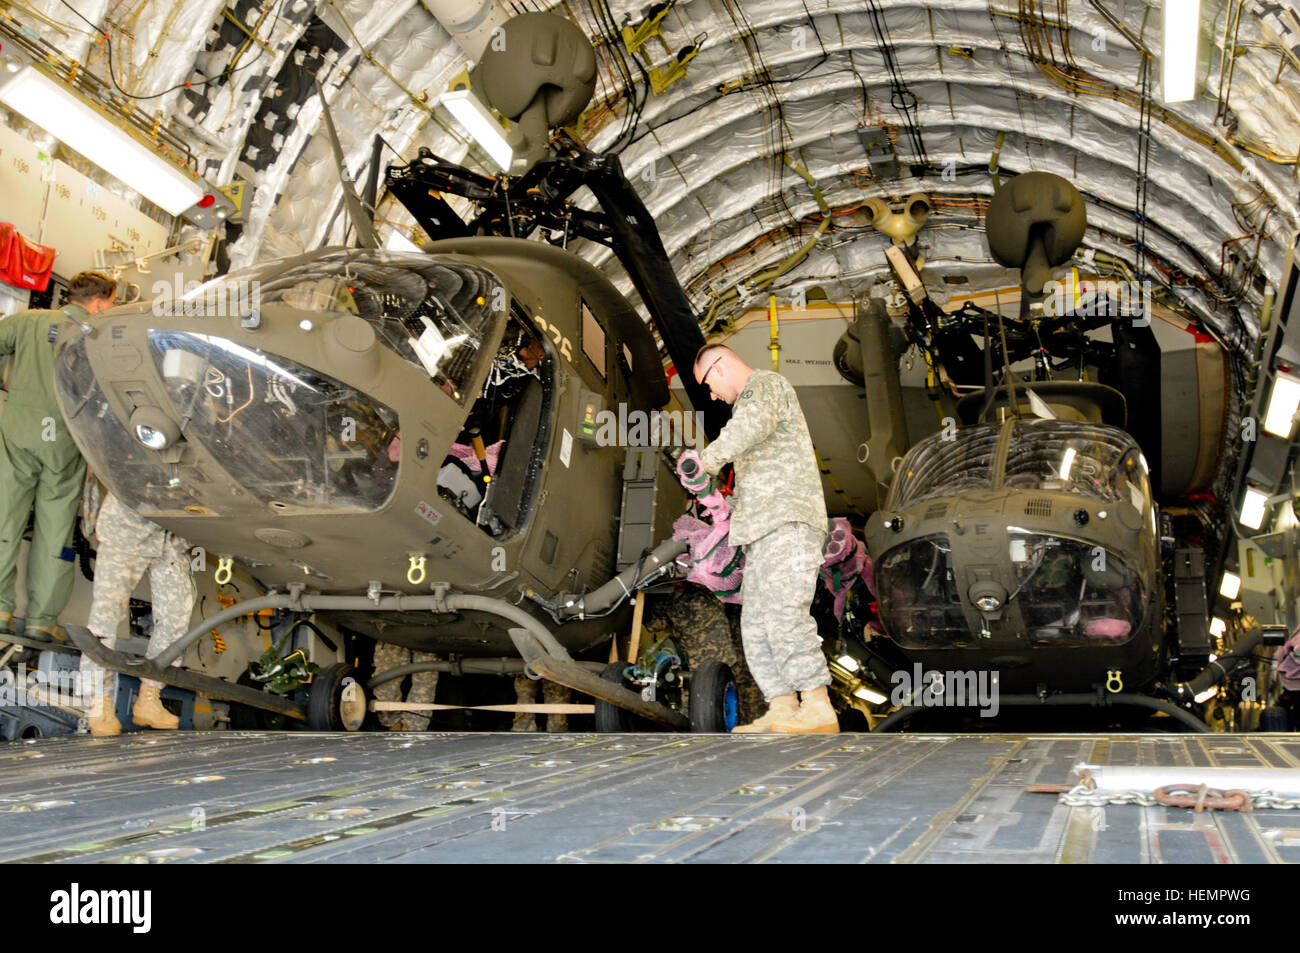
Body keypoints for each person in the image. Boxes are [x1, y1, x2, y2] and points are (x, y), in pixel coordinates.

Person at [680, 344, 836, 733]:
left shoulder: (764, 386)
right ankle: (782, 706)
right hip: (763, 531)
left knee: (785, 612)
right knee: (756, 623)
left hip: (788, 521)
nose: (712, 395)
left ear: (720, 365)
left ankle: (817, 706)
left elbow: (749, 426)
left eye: (709, 385)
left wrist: (707, 461)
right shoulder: (751, 407)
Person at [0, 272, 117, 641]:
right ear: (98, 303)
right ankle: (41, 621)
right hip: (65, 439)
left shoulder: (27, 322)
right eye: (112, 304)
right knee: (55, 532)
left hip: (19, 429)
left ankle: (0, 611)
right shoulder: (101, 337)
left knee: (4, 519)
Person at [81, 492, 197, 736]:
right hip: (129, 528)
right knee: (106, 615)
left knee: (177, 616)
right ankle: (97, 704)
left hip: (173, 535)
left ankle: (149, 698)